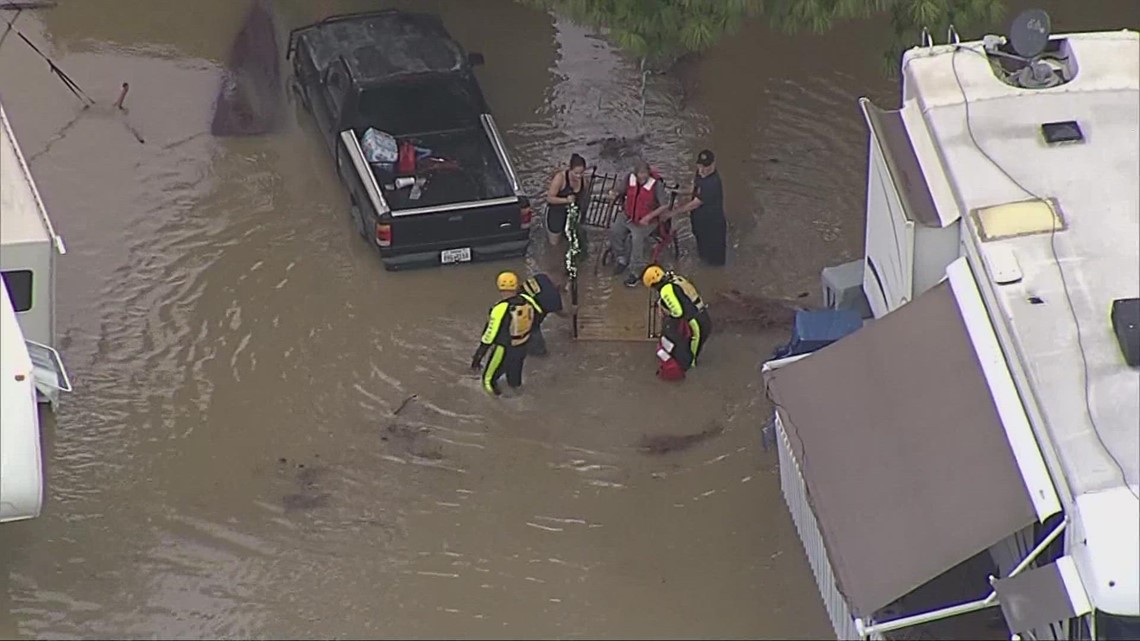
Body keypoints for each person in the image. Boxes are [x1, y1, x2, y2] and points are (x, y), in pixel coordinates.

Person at [470, 271, 536, 397]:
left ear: (499, 286)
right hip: (522, 346)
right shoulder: (527, 300)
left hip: (503, 349)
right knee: (515, 381)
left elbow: (489, 336)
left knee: (488, 381)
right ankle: (519, 399)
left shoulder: (500, 308)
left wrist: (477, 359)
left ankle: (496, 405)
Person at [607, 159, 670, 287]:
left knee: (636, 238)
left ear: (648, 172)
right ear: (635, 173)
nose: (642, 176)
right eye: (639, 173)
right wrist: (613, 193)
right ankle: (621, 258)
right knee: (614, 230)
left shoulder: (656, 185)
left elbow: (664, 205)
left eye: (644, 173)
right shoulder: (629, 179)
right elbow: (619, 190)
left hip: (647, 220)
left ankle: (635, 271)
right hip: (628, 215)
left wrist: (649, 216)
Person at [642, 264, 712, 368]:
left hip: (696, 323)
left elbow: (678, 312)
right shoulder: (675, 278)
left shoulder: (666, 290)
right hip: (703, 314)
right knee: (693, 352)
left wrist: (670, 321)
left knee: (690, 361)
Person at [671, 149, 727, 266]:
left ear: (713, 164)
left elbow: (696, 202)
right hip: (699, 221)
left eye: (705, 167)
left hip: (712, 226)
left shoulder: (713, 183)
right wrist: (680, 191)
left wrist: (674, 212)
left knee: (714, 260)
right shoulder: (700, 173)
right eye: (700, 165)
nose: (702, 170)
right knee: (701, 249)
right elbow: (695, 188)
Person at [520, 272, 576, 357]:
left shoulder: (541, 277)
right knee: (539, 350)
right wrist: (574, 311)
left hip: (515, 307)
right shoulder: (553, 298)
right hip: (530, 321)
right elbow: (562, 314)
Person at [545, 153, 588, 249]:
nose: (579, 176)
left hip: (572, 215)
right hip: (556, 213)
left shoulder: (584, 181)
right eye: (576, 173)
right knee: (554, 244)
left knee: (571, 241)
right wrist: (566, 200)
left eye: (581, 173)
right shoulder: (560, 178)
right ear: (570, 169)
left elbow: (584, 198)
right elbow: (549, 198)